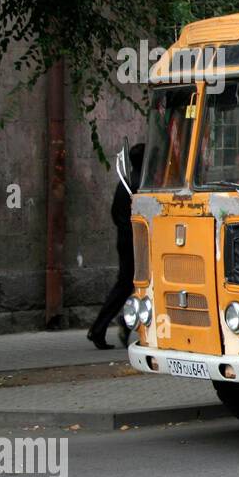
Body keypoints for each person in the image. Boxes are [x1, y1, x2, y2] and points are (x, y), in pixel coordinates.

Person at [87, 143, 144, 349]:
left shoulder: (125, 183)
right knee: (127, 286)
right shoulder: (141, 184)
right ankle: (103, 327)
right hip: (138, 243)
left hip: (124, 239)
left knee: (130, 285)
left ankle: (124, 324)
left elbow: (114, 213)